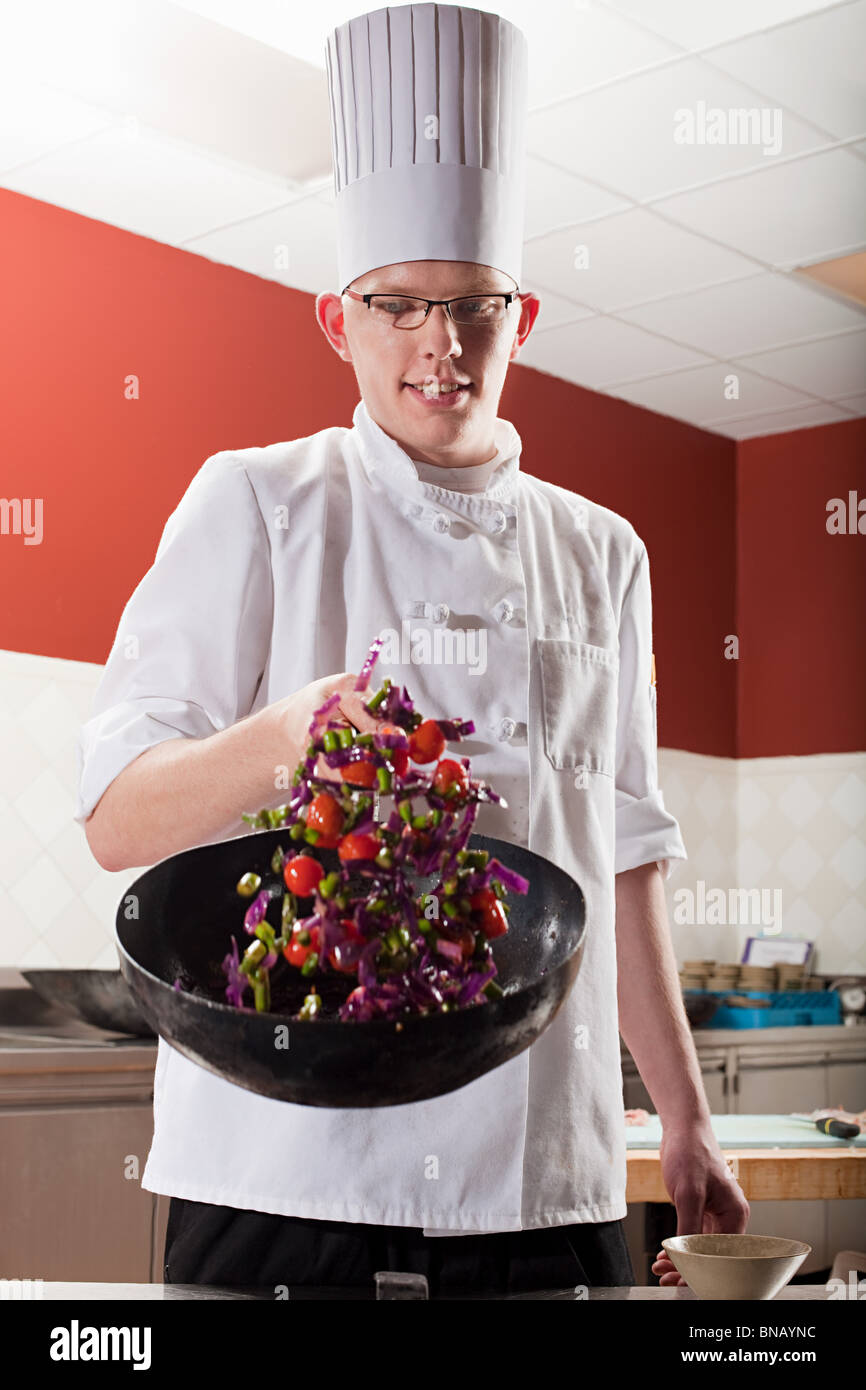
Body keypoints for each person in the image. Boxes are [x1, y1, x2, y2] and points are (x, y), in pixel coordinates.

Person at [74, 3, 748, 1297]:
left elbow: (625, 857)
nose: (437, 346)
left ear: (522, 315)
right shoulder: (257, 503)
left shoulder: (602, 551)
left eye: (471, 307)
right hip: (277, 1165)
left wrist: (685, 1116)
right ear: (338, 318)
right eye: (397, 307)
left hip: (537, 1167)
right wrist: (283, 740)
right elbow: (114, 819)